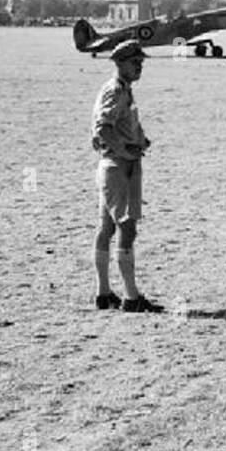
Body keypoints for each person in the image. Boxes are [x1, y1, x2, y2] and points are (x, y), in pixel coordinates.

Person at [90, 39, 162, 312]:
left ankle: (104, 293)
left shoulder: (119, 89)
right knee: (126, 228)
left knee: (107, 229)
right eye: (135, 62)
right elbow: (103, 128)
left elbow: (113, 126)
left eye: (141, 62)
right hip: (118, 167)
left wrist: (139, 140)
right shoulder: (117, 91)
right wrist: (124, 151)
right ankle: (131, 297)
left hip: (112, 165)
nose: (139, 66)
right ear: (120, 63)